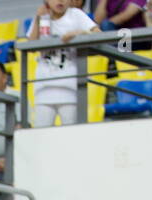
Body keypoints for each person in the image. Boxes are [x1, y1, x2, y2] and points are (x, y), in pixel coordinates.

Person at [27, 0, 100, 128]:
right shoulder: (42, 16)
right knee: (41, 135)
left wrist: (79, 33)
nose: (60, 1)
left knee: (71, 135)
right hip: (43, 89)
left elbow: (98, 34)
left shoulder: (76, 14)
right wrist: (38, 18)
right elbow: (31, 46)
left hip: (69, 88)